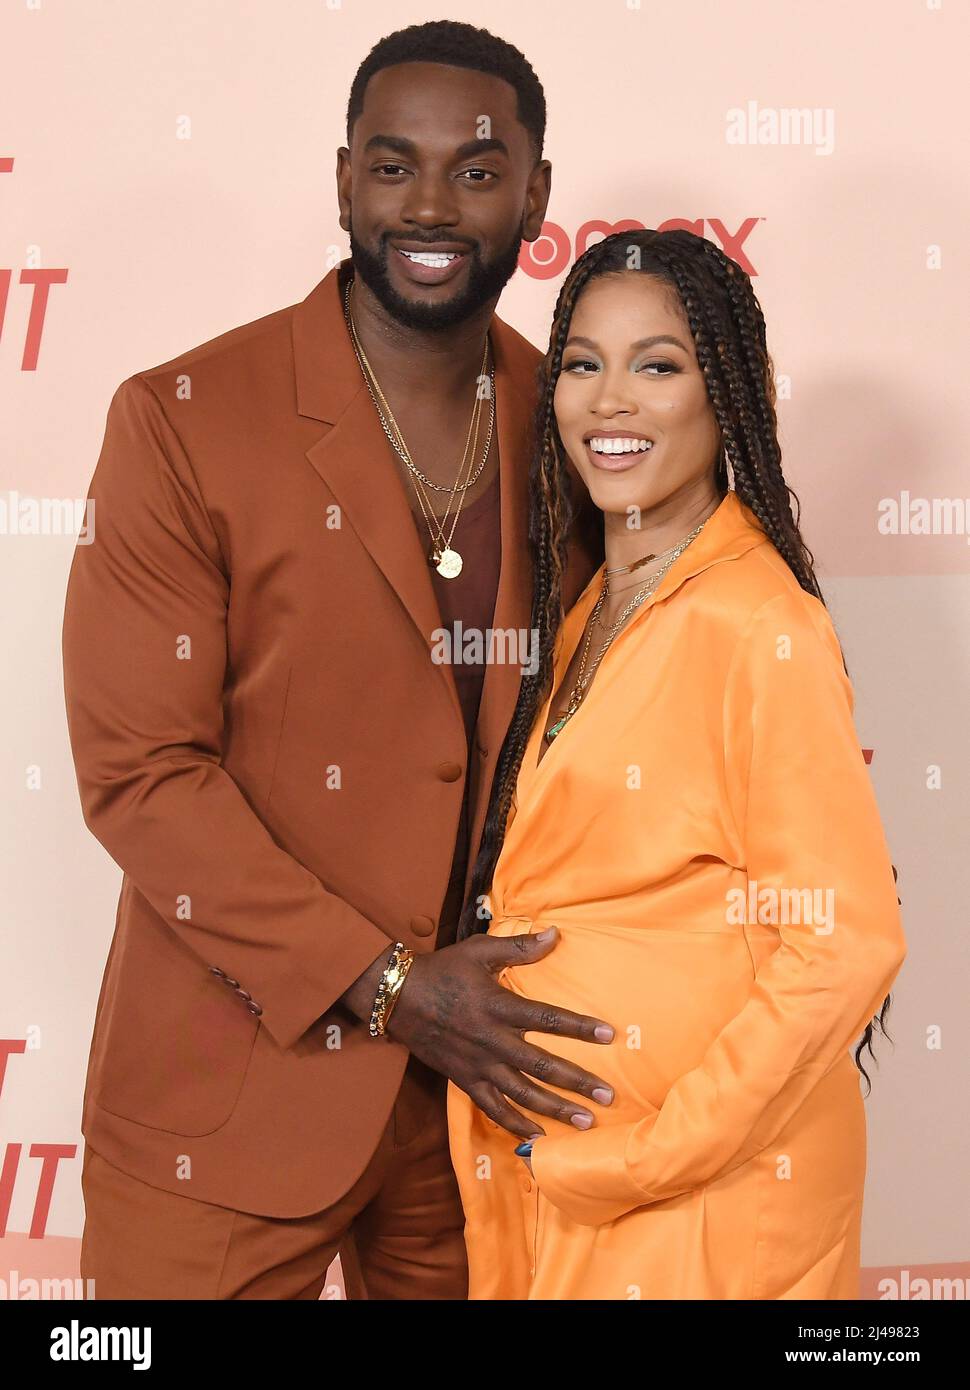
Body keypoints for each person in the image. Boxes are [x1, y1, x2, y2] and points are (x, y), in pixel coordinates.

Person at [62, 20, 610, 1301]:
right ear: (346, 179)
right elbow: (142, 776)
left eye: (478, 170)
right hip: (222, 1095)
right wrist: (395, 987)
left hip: (478, 1109)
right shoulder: (183, 420)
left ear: (536, 194)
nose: (430, 206)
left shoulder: (579, 425)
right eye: (393, 164)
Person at [446, 228, 908, 1300]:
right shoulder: (591, 611)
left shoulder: (758, 625)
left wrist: (645, 1158)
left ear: (727, 395)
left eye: (658, 366)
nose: (610, 401)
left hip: (698, 1199)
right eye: (582, 364)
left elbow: (843, 943)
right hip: (573, 1183)